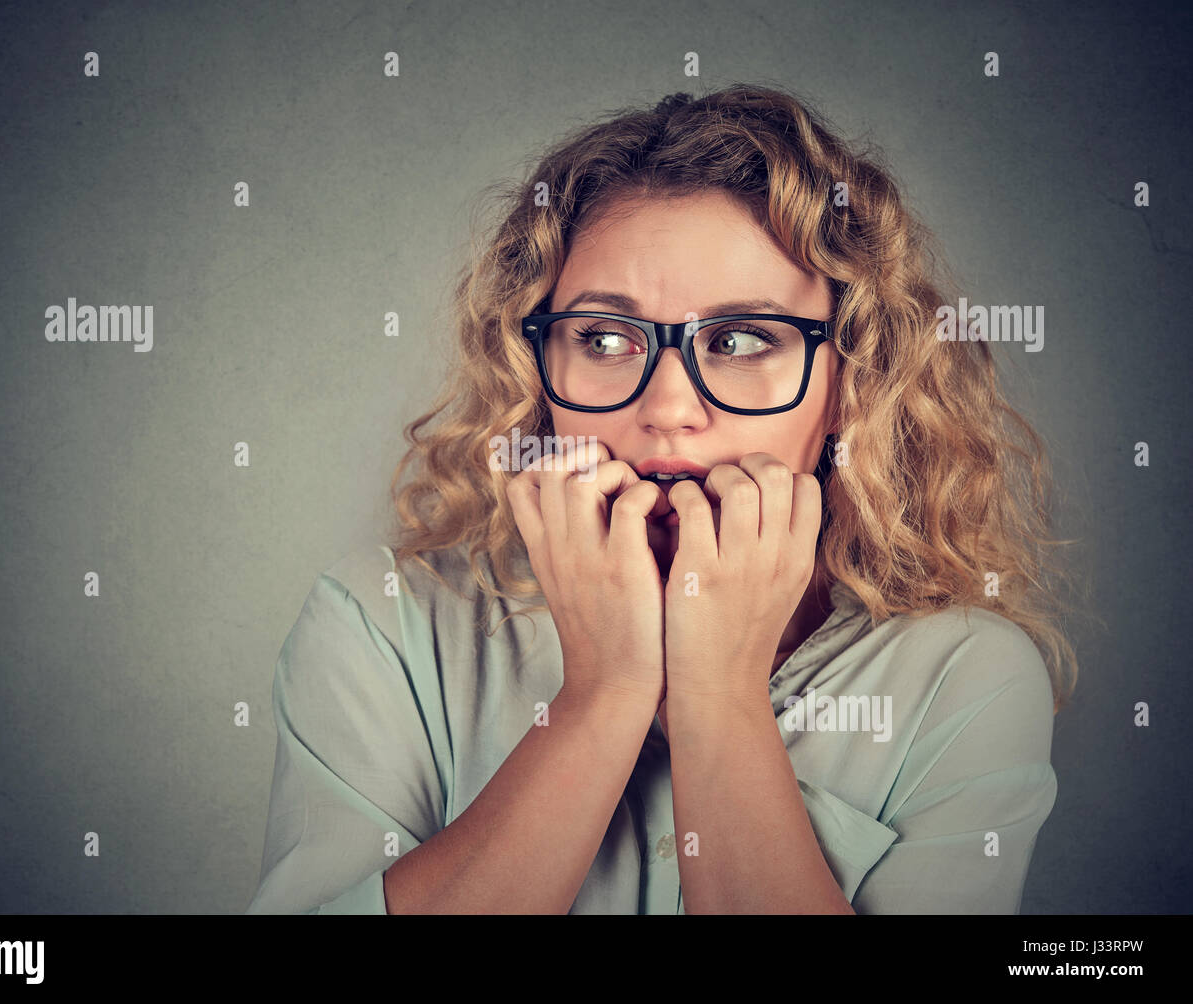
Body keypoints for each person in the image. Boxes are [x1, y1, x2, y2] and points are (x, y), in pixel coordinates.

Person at [247, 85, 1078, 914]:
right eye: (606, 339)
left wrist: (716, 698)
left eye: (742, 339)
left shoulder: (967, 676)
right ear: (537, 375)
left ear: (850, 384)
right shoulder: (381, 624)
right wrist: (600, 698)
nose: (669, 408)